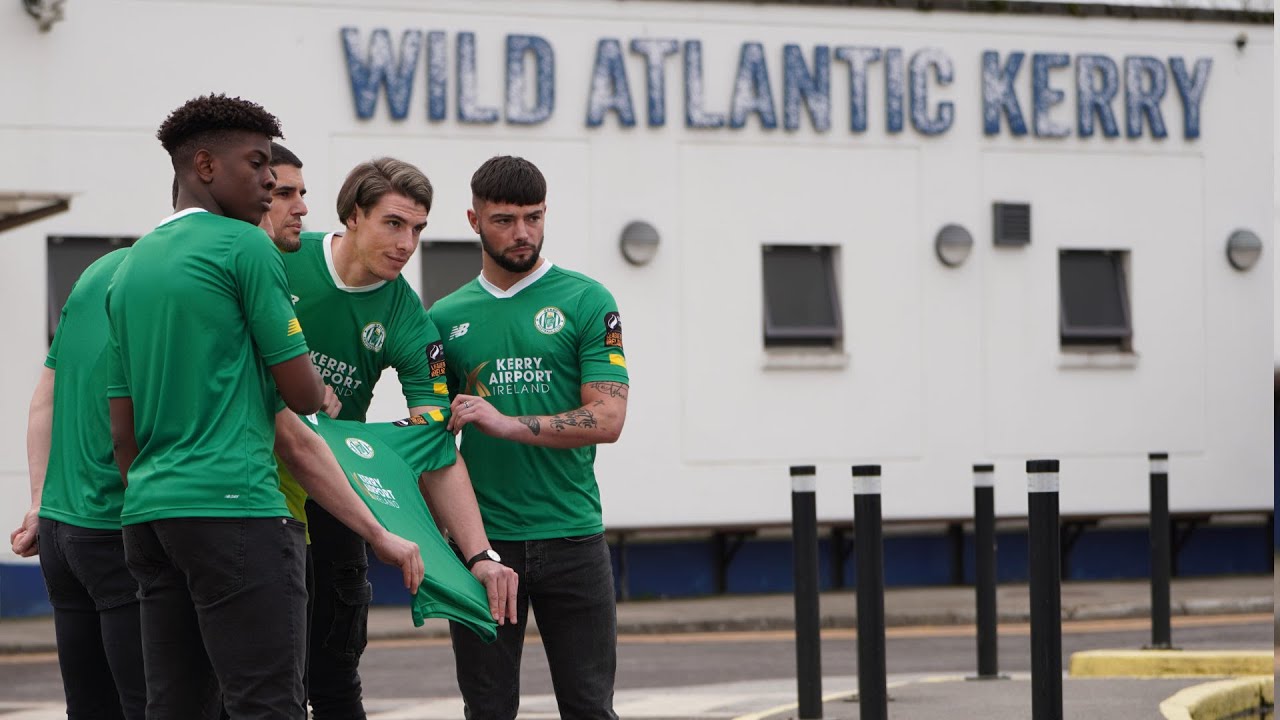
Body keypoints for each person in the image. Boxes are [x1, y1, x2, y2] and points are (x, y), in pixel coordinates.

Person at [105, 94, 424, 719]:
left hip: (148, 517)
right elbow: (304, 397)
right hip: (239, 510)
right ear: (204, 165)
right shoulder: (247, 249)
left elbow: (123, 430)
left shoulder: (129, 266)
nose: (269, 181)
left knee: (175, 706)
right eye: (256, 165)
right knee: (267, 704)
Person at [284, 157, 517, 719]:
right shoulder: (280, 261)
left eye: (418, 229)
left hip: (334, 496)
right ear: (353, 215)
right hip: (251, 493)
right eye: (393, 223)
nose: (407, 243)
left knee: (336, 677)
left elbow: (434, 441)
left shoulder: (407, 316)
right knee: (256, 679)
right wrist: (297, 389)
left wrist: (479, 555)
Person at [428, 156, 631, 720]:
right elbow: (432, 439)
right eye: (504, 220)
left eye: (533, 218)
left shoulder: (587, 300)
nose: (522, 233)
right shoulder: (445, 317)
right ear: (473, 220)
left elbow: (609, 418)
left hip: (574, 538)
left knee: (590, 709)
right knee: (488, 711)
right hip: (485, 547)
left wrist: (509, 423)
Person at [11, 247, 145, 720]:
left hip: (61, 531)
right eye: (274, 187)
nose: (299, 208)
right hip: (119, 526)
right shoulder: (180, 282)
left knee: (89, 708)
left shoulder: (96, 272)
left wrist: (38, 501)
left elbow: (44, 400)